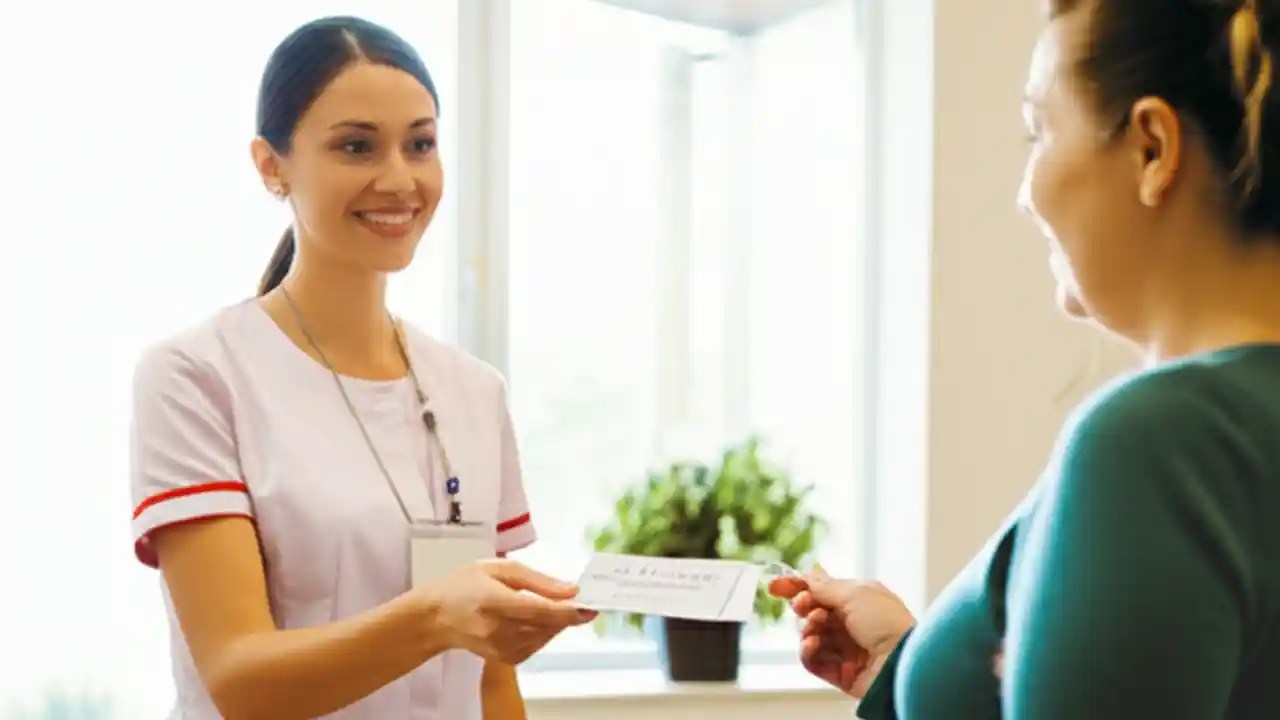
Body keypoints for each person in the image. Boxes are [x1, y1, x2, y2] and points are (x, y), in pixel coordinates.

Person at [771, 0, 1280, 717]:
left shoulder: (1163, 440)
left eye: (1038, 129)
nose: (1024, 195)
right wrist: (918, 673)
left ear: (1152, 150)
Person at [128, 16, 593, 720]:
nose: (399, 179)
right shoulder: (196, 378)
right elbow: (238, 680)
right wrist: (437, 615)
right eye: (356, 146)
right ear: (271, 166)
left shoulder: (471, 392)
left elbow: (490, 683)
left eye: (421, 144)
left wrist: (463, 623)